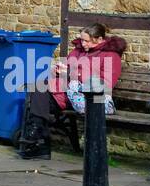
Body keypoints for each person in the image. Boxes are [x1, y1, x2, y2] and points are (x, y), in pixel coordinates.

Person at [16, 24, 127, 160]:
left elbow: (105, 83)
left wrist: (73, 74)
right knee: (39, 89)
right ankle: (37, 138)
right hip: (69, 94)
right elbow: (67, 70)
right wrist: (58, 71)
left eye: (86, 40)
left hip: (90, 98)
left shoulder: (111, 56)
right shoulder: (78, 51)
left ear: (98, 39)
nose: (82, 43)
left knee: (40, 97)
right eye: (81, 40)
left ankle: (38, 142)